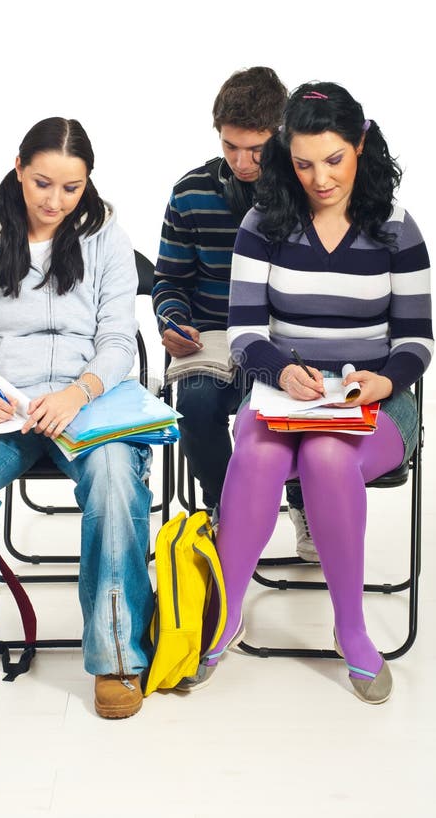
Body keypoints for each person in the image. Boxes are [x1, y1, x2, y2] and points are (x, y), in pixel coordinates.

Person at [183, 81, 433, 703]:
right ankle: (224, 618)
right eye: (302, 163)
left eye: (334, 160)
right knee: (261, 453)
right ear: (284, 159)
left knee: (325, 454)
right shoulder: (262, 223)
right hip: (283, 395)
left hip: (373, 400)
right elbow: (243, 331)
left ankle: (351, 629)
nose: (319, 178)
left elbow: (417, 340)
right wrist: (278, 368)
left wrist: (384, 378)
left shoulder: (397, 229)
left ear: (361, 145)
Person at [0, 117, 153, 722]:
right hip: (5, 407)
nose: (54, 201)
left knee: (114, 480)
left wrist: (78, 393)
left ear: (88, 186)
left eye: (71, 189)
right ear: (19, 167)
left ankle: (118, 654)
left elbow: (116, 340)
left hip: (88, 402)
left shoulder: (106, 236)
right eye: (42, 182)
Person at [152, 67, 318, 561]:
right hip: (213, 340)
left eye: (257, 150)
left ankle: (303, 502)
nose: (243, 162)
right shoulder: (191, 192)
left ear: (283, 136)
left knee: (303, 407)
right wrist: (172, 320)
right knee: (196, 406)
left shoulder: (310, 191)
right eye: (230, 147)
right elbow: (169, 279)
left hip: (288, 340)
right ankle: (227, 511)